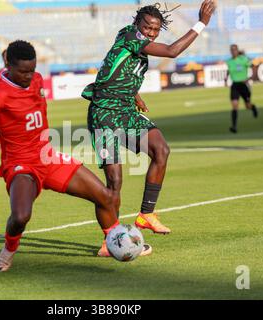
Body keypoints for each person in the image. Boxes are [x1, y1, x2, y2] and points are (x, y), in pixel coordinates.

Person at [0, 40, 122, 272]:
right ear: (8, 65)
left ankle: (114, 243)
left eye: (32, 69)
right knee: (20, 216)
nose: (29, 76)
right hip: (20, 165)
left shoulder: (36, 79)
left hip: (48, 158)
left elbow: (23, 74)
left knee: (106, 196)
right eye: (23, 71)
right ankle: (8, 251)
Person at [81, 1, 216, 256]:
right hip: (105, 114)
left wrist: (134, 94)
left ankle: (146, 214)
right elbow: (173, 51)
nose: (151, 33)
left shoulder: (139, 46)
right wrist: (202, 23)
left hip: (126, 111)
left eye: (155, 29)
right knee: (114, 181)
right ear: (137, 25)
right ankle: (110, 241)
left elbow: (119, 71)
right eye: (147, 27)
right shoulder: (131, 35)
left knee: (161, 149)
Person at [225, 44, 259, 134]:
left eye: (234, 50)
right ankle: (234, 126)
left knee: (247, 106)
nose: (233, 51)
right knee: (234, 106)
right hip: (235, 85)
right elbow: (229, 70)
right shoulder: (229, 61)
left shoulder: (243, 59)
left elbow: (254, 66)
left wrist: (251, 77)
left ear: (237, 50)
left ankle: (253, 107)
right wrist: (226, 78)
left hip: (244, 85)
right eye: (231, 50)